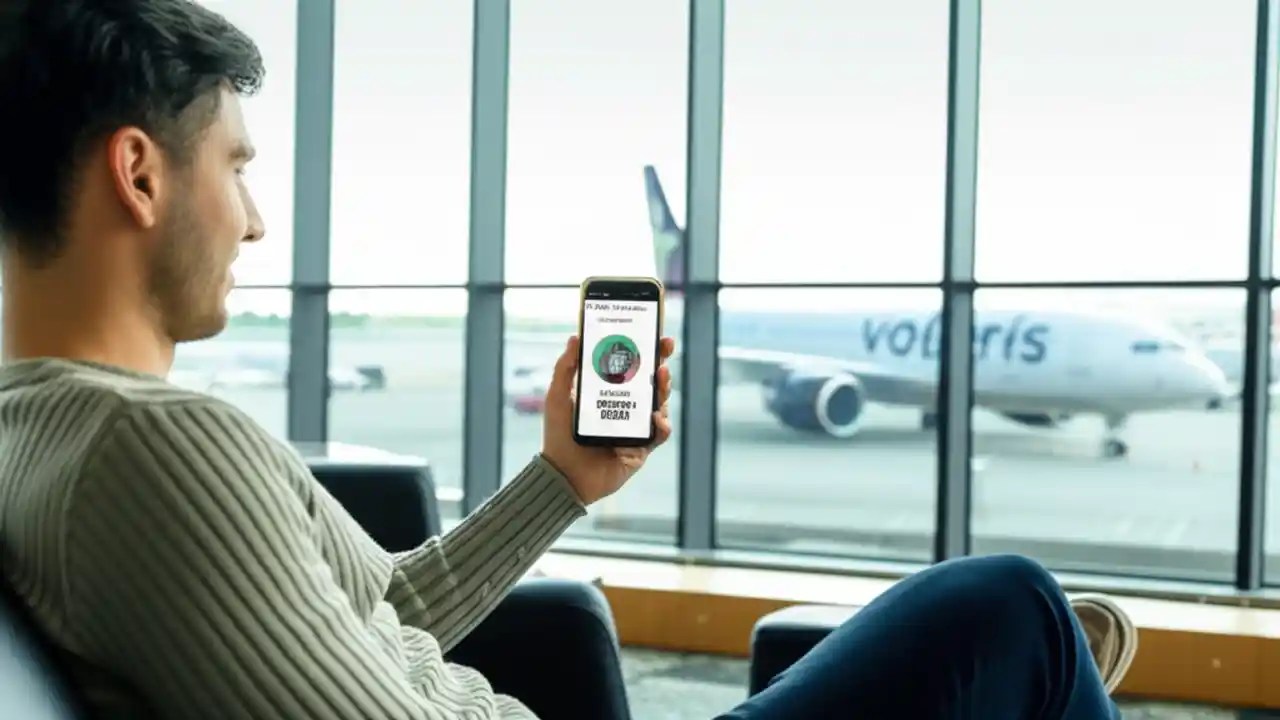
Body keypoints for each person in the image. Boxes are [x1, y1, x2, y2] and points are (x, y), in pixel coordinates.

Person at [0, 1, 1137, 719]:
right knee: (1009, 608)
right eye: (237, 167)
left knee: (996, 634)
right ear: (140, 176)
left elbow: (375, 613)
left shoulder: (46, 425)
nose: (253, 222)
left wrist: (560, 483)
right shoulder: (157, 447)